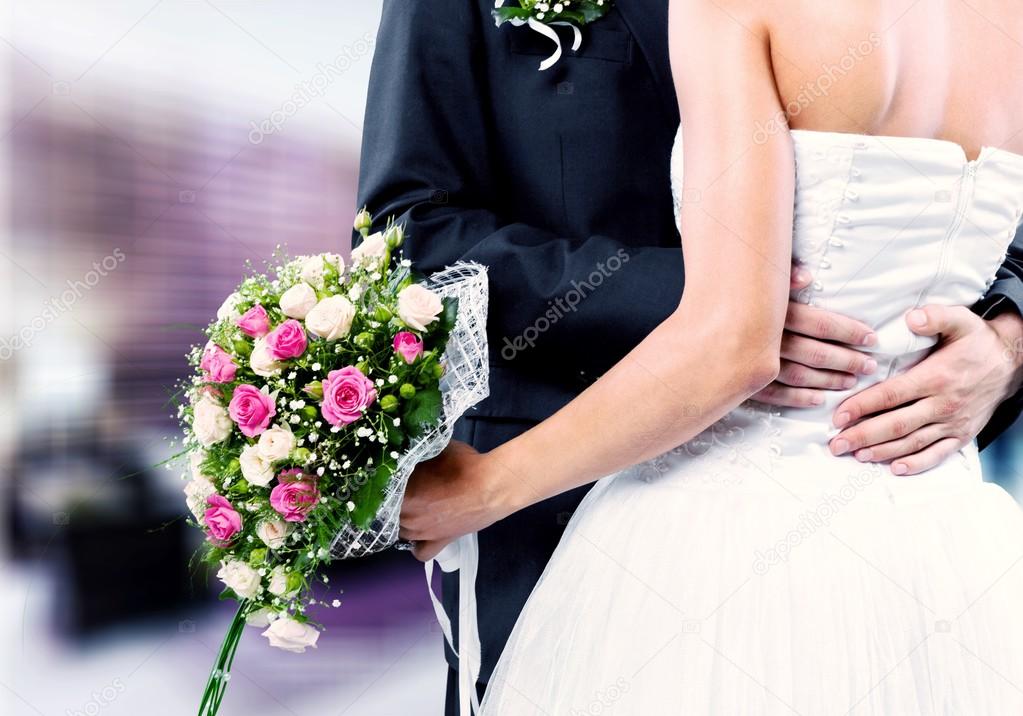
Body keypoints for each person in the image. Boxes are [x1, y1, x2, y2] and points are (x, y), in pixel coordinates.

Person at [357, 0, 1023, 712]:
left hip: (689, 528)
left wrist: (1008, 342)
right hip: (928, 532)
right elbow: (410, 236)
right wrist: (716, 293)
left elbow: (733, 343)